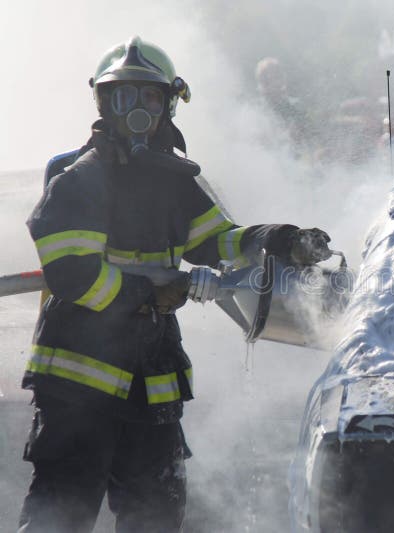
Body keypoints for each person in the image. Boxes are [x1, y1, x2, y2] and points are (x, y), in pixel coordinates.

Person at [18, 36, 332, 532]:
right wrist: (151, 294)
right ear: (104, 102)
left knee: (157, 517)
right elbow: (72, 274)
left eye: (149, 96)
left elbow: (215, 241)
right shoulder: (80, 181)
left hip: (151, 382)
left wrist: (279, 238)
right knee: (62, 514)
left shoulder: (174, 181)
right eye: (126, 96)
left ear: (169, 103)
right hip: (80, 384)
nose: (138, 109)